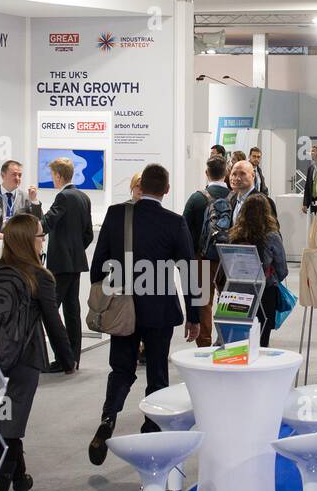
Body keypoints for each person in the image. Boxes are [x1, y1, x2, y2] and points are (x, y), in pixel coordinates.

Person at [88, 164, 202, 464]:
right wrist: (195, 315)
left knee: (121, 369)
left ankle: (108, 419)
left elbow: (98, 267)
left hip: (122, 310)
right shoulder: (174, 222)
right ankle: (151, 428)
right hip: (159, 311)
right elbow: (189, 271)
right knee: (157, 373)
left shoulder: (115, 216)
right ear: (166, 190)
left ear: (140, 186)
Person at [0, 214, 77, 491]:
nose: (43, 239)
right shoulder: (39, 276)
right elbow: (52, 321)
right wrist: (67, 359)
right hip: (23, 362)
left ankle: (20, 482)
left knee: (7, 422)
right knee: (9, 431)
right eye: (39, 235)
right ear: (26, 240)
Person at [41, 156, 94, 371]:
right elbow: (88, 234)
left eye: (53, 175)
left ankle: (64, 358)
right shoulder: (83, 197)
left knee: (50, 310)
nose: (52, 179)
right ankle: (73, 359)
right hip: (75, 263)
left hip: (60, 264)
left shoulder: (63, 197)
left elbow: (46, 224)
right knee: (72, 311)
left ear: (59, 175)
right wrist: (75, 250)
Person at [227, 195, 288, 347]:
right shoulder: (272, 236)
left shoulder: (235, 235)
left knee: (240, 339)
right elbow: (283, 270)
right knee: (262, 339)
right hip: (264, 292)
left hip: (239, 292)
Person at [183, 157, 231, 348]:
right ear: (226, 173)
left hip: (202, 259)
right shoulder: (233, 197)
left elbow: (184, 229)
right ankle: (228, 341)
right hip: (228, 258)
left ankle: (204, 345)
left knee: (204, 303)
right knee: (229, 299)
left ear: (206, 173)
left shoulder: (196, 198)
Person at [0, 159, 42, 233]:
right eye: (14, 174)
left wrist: (34, 200)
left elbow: (38, 221)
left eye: (19, 175)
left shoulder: (26, 197)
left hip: (18, 241)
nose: (17, 178)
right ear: (3, 175)